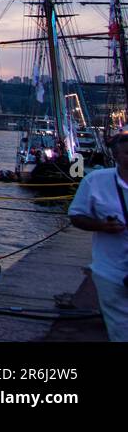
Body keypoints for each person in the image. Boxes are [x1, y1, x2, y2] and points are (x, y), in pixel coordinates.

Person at [68, 129, 128, 342]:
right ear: (116, 156)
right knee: (120, 328)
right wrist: (102, 225)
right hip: (112, 271)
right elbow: (76, 216)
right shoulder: (95, 181)